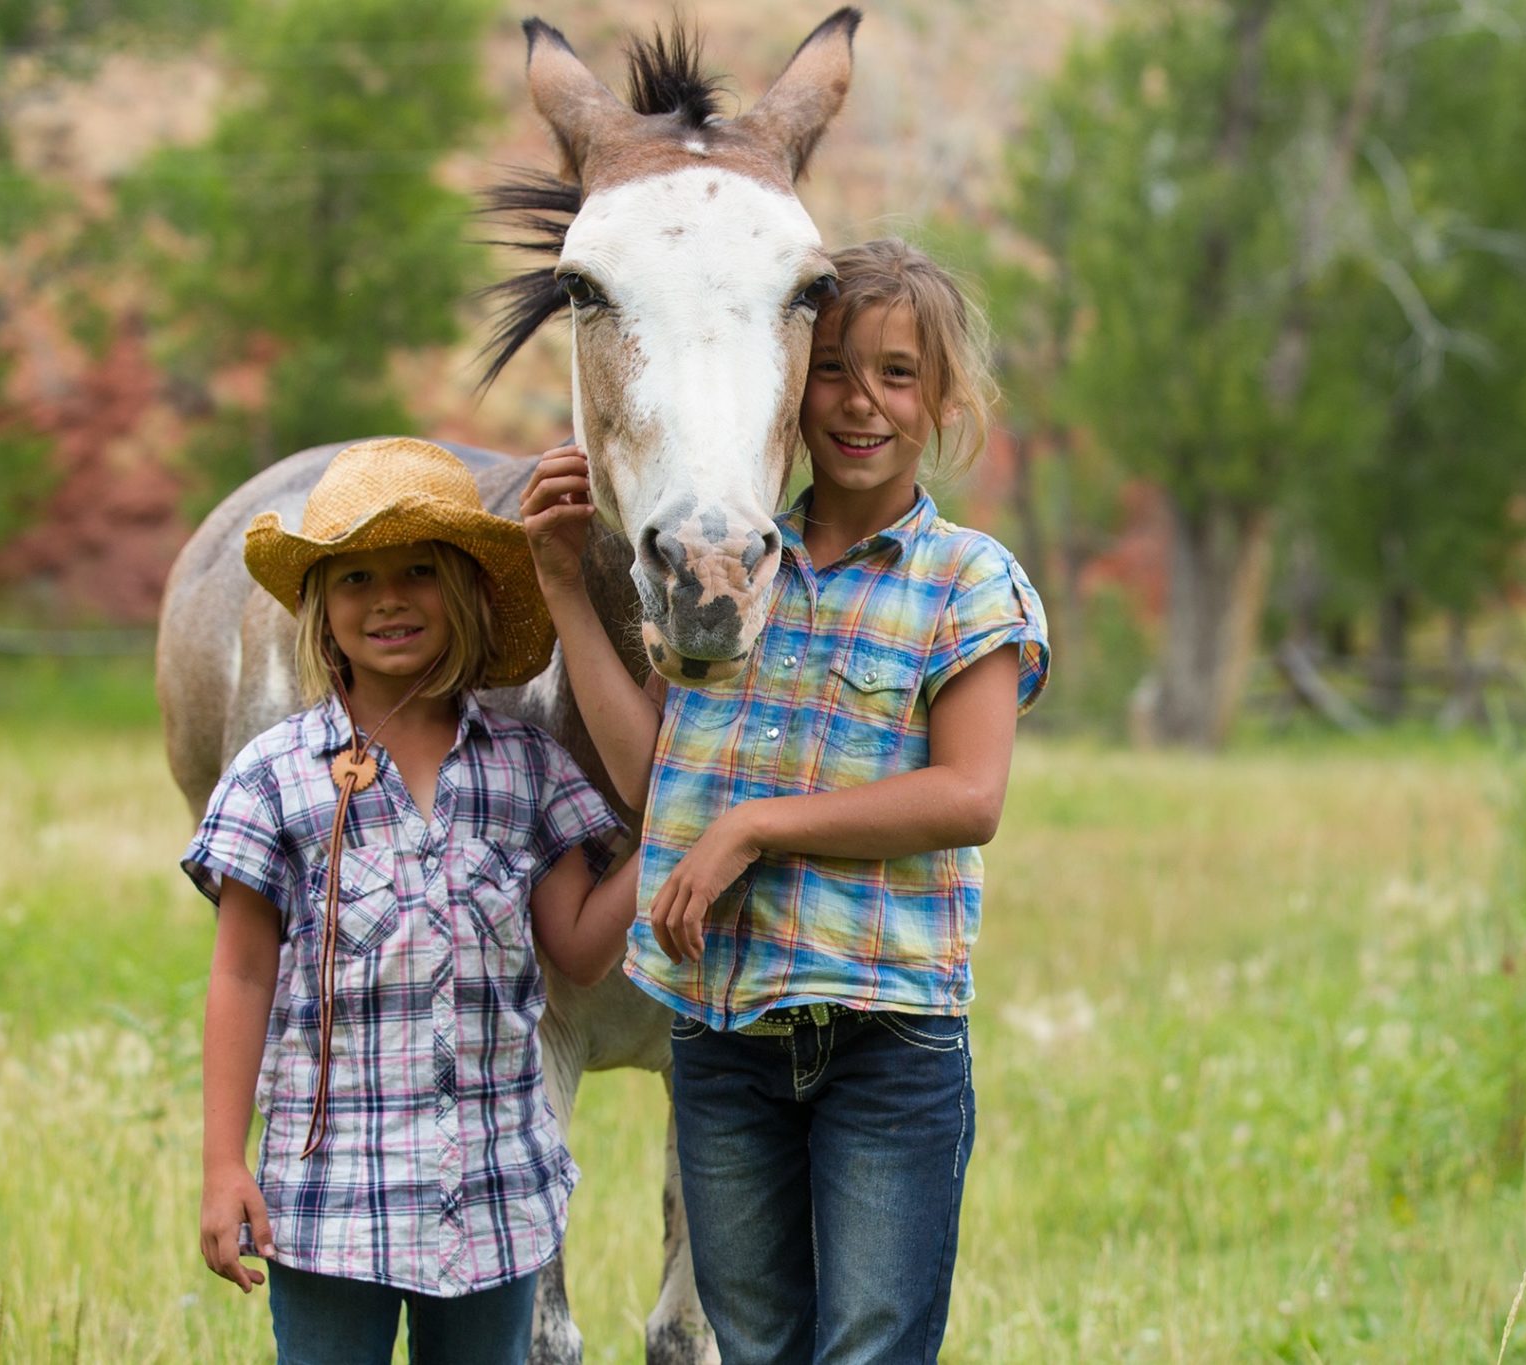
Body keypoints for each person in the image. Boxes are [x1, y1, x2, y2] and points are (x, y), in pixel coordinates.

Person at [521, 238, 1049, 1363]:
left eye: (897, 375)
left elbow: (968, 796)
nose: (861, 402)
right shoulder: (733, 567)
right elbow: (653, 773)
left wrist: (751, 828)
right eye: (832, 371)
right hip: (722, 1033)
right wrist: (566, 584)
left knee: (866, 1342)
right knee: (751, 1343)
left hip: (885, 1037)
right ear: (782, 383)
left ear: (941, 401)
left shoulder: (967, 581)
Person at [184, 437, 635, 1365]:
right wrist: (224, 1164)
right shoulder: (273, 779)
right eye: (354, 576)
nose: (387, 597)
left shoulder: (525, 771)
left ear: (470, 590)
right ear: (319, 607)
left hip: (493, 1193)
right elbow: (239, 972)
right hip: (330, 1198)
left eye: (419, 570)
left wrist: (675, 821)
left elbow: (582, 950)